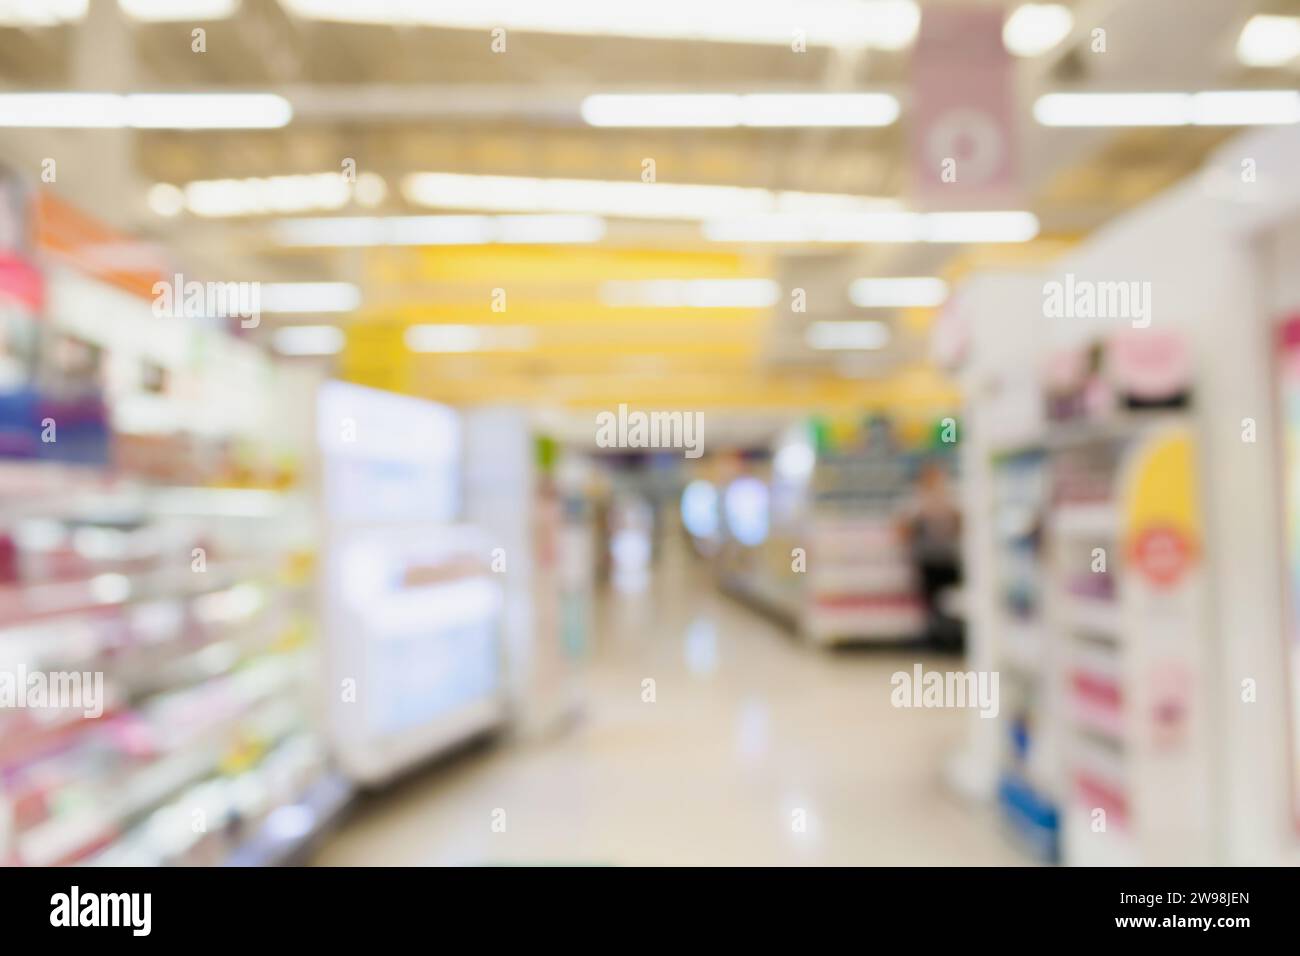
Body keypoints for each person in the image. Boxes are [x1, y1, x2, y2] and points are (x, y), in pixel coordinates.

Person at [902, 461, 963, 650]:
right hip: (927, 561)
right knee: (930, 603)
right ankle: (936, 638)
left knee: (950, 600)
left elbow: (962, 523)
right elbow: (902, 529)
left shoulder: (952, 497)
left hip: (949, 560)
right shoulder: (915, 500)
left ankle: (953, 638)